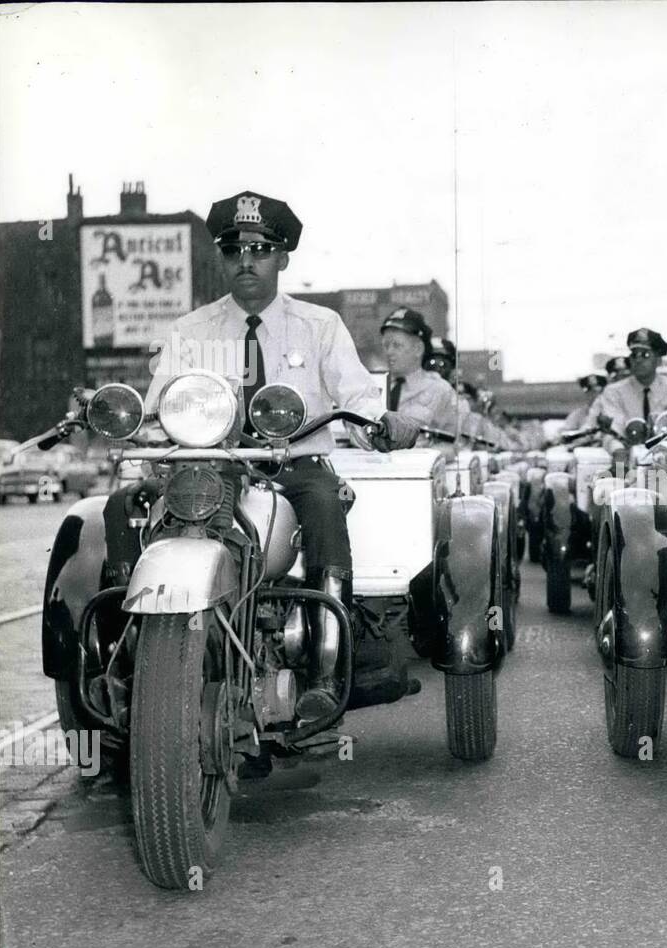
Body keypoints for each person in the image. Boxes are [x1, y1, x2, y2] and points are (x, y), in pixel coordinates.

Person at [119, 190, 421, 726]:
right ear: (222, 258)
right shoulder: (189, 331)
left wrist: (381, 421)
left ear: (282, 258)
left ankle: (327, 668)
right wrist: (134, 420)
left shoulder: (319, 325)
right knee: (123, 508)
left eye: (260, 250)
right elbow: (160, 403)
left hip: (294, 466)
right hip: (211, 468)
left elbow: (355, 394)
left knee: (325, 503)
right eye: (234, 251)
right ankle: (127, 659)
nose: (247, 262)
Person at [581, 328, 667, 436]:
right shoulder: (614, 392)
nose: (638, 360)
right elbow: (616, 429)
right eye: (634, 355)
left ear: (658, 360)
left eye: (645, 355)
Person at [380, 307, 459, 432]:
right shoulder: (375, 388)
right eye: (386, 345)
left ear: (418, 349)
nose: (389, 352)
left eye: (397, 345)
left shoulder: (441, 391)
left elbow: (454, 444)